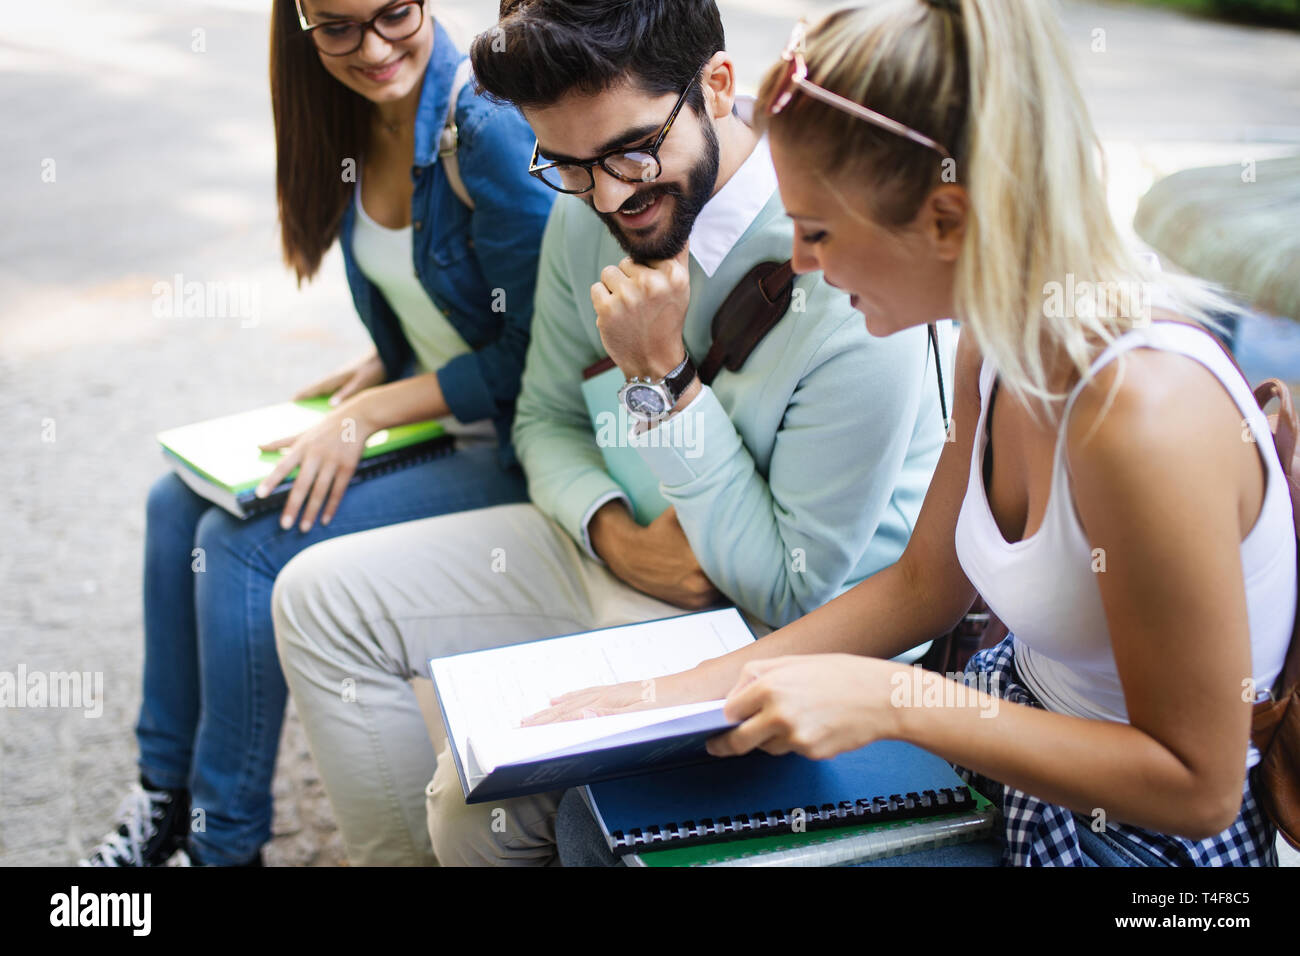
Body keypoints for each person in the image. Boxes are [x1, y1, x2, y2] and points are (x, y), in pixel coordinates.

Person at [553, 0, 1296, 868]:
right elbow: (923, 587)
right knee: (601, 814)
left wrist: (896, 699)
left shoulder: (1140, 419)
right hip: (1009, 735)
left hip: (1136, 849)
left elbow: (1198, 790)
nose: (797, 261)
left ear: (946, 220)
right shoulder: (996, 337)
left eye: (818, 230)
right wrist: (677, 693)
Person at [271, 0, 950, 866]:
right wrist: (610, 532)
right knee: (319, 599)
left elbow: (794, 593)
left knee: (474, 808)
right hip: (616, 553)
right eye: (567, 164)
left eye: (632, 150)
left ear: (717, 85)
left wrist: (661, 378)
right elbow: (543, 420)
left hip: (759, 623)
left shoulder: (844, 270)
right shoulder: (584, 204)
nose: (611, 194)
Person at [82, 0, 553, 867]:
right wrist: (382, 367)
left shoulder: (480, 125)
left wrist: (373, 411)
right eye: (337, 27)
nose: (372, 47)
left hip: (517, 448)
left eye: (392, 15)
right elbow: (439, 304)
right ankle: (163, 801)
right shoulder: (346, 116)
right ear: (300, 28)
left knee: (245, 545)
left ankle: (225, 847)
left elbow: (539, 357)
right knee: (171, 503)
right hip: (437, 416)